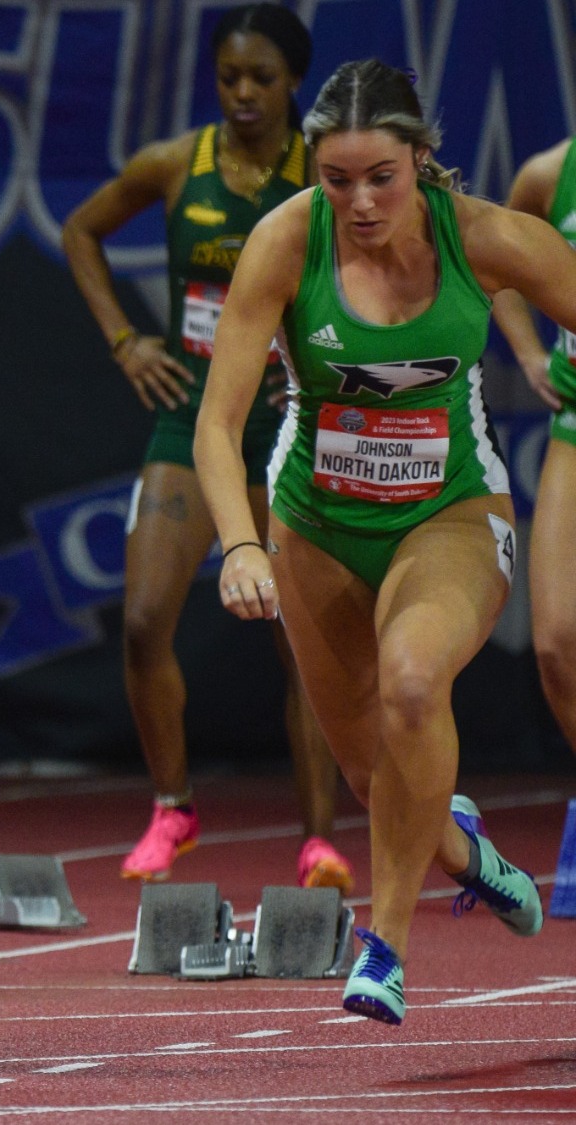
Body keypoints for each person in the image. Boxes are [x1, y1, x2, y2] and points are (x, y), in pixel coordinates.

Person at [196, 59, 556, 1024]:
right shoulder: (284, 242)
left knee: (410, 681)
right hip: (313, 524)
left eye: (381, 177)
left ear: (424, 161)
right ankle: (467, 853)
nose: (359, 201)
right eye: (337, 178)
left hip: (450, 511)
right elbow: (217, 423)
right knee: (375, 776)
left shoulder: (481, 237)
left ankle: (385, 945)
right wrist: (239, 545)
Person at [61, 4, 347, 889]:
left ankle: (318, 840)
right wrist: (125, 341)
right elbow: (81, 231)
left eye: (262, 78)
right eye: (229, 77)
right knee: (145, 616)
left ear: (296, 81)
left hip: (291, 419)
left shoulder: (324, 175)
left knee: (300, 639)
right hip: (192, 415)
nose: (244, 94)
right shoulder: (175, 166)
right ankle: (173, 807)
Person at [489, 138, 576, 762]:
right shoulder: (549, 174)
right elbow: (495, 264)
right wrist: (529, 352)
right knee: (556, 643)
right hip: (574, 425)